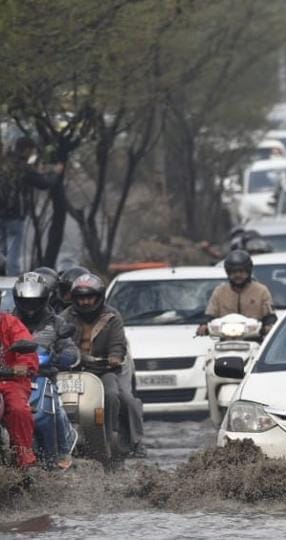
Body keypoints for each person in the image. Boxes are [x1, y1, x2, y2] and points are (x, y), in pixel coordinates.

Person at [61, 273, 145, 457]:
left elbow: (118, 343)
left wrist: (114, 357)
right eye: (81, 298)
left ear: (99, 297)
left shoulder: (112, 316)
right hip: (69, 372)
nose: (85, 303)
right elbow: (57, 341)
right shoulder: (64, 317)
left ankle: (118, 439)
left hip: (101, 371)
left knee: (116, 396)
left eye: (89, 297)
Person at [12, 272, 79, 470]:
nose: (30, 307)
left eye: (35, 301)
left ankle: (60, 452)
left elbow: (70, 349)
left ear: (45, 299)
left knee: (51, 410)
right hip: (11, 378)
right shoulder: (8, 321)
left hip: (43, 378)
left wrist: (64, 357)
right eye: (25, 301)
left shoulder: (57, 323)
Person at [0, 137, 62, 275]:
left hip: (1, 213)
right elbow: (44, 183)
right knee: (13, 251)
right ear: (27, 150)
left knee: (2, 250)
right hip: (16, 215)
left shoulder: (5, 164)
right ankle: (11, 282)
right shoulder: (23, 168)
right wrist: (55, 173)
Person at [197, 250, 277, 337]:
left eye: (242, 272)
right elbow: (210, 314)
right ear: (228, 273)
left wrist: (268, 326)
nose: (238, 275)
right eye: (234, 272)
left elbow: (270, 315)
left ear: (248, 271)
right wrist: (204, 325)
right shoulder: (220, 291)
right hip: (224, 338)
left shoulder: (261, 291)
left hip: (254, 338)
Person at [0, 309, 40, 468]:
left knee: (19, 410)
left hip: (9, 380)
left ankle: (24, 459)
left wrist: (23, 365)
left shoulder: (10, 323)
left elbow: (26, 347)